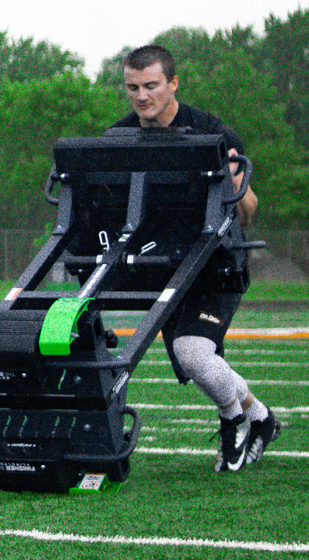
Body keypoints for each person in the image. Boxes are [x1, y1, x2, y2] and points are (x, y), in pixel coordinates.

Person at [112, 44, 281, 473]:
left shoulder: (212, 132)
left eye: (151, 86)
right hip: (164, 266)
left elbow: (249, 207)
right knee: (198, 362)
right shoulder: (120, 135)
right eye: (133, 87)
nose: (141, 96)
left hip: (215, 263)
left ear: (173, 84)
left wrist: (231, 185)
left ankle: (235, 420)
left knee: (192, 352)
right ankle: (261, 418)